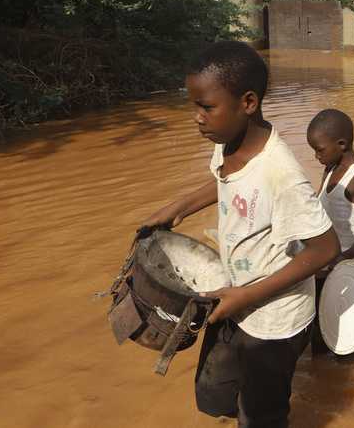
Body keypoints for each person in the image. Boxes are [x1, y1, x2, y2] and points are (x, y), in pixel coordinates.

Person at [141, 41, 340, 427]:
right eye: (194, 105)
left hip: (273, 318)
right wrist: (176, 209)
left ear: (247, 102)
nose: (197, 117)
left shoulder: (281, 174)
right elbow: (222, 180)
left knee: (261, 416)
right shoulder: (227, 141)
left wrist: (246, 295)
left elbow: (326, 247)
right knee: (212, 396)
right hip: (233, 294)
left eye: (206, 107)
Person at [306, 108, 354, 353]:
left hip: (346, 266)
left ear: (342, 144)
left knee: (344, 335)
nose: (316, 156)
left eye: (319, 150)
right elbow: (318, 206)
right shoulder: (330, 169)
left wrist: (339, 259)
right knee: (319, 329)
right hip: (324, 263)